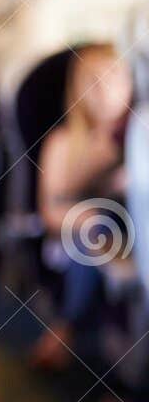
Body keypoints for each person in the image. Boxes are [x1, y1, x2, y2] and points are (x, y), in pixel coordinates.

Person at [26, 45, 131, 377]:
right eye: (92, 79)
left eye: (112, 75)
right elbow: (49, 211)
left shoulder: (137, 134)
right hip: (79, 238)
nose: (102, 88)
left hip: (130, 231)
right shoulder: (62, 142)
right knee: (94, 231)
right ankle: (68, 328)